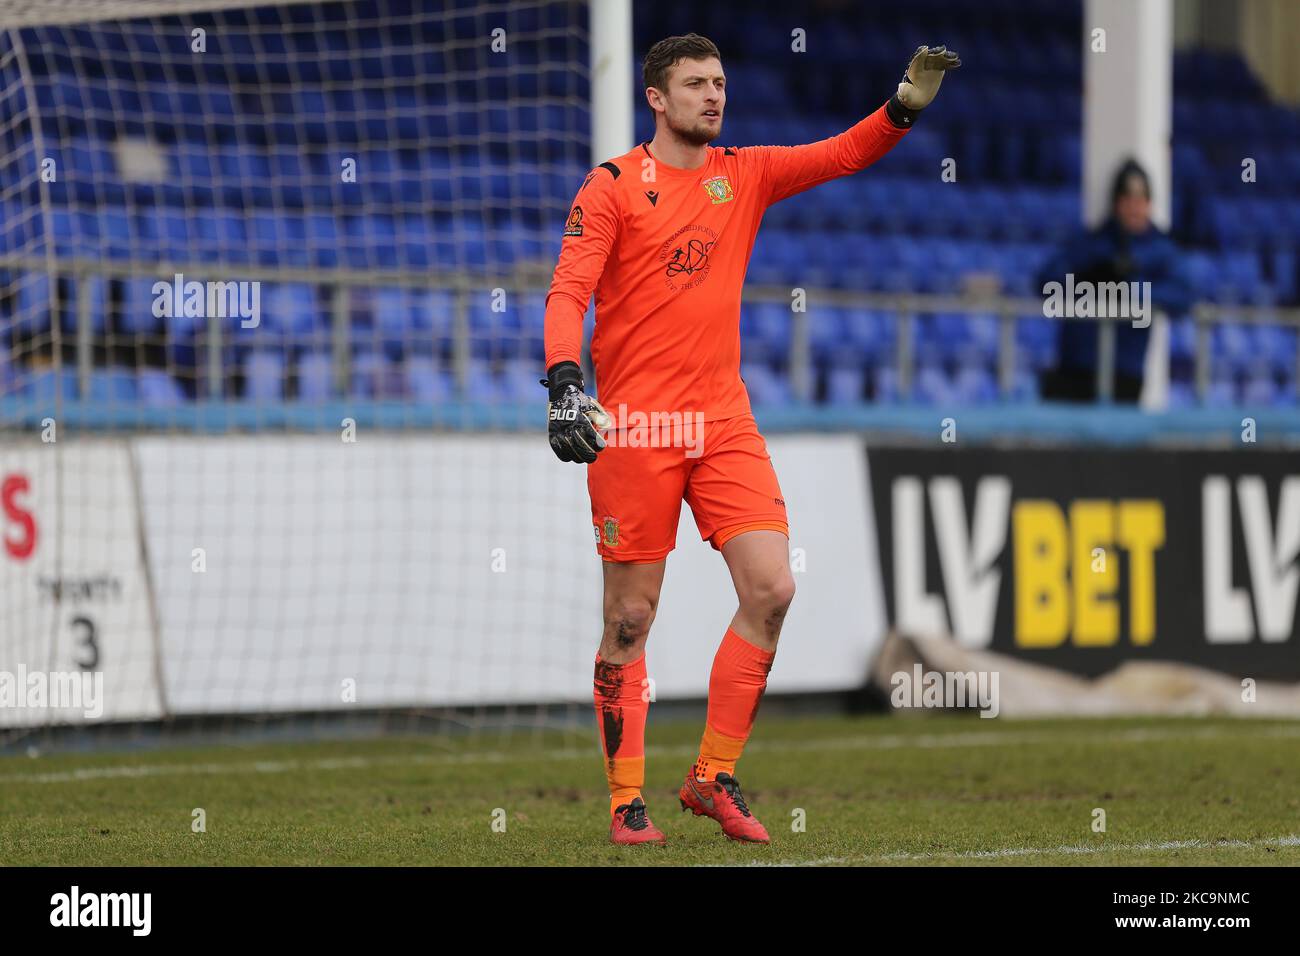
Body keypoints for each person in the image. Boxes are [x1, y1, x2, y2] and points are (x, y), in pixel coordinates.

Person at [541, 34, 960, 845]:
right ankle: (628, 801)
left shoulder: (749, 172)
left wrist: (903, 105)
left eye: (721, 82)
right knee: (631, 616)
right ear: (656, 98)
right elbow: (569, 291)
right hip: (638, 428)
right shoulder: (614, 186)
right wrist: (564, 383)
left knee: (771, 588)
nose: (714, 94)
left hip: (723, 420)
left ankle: (712, 775)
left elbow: (842, 153)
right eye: (696, 83)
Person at [1037, 158, 1193, 402]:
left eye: (1140, 201)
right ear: (1116, 203)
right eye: (1126, 200)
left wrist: (1130, 289)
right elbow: (1045, 282)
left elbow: (1184, 295)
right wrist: (1087, 279)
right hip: (1077, 366)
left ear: (1149, 204)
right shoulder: (1090, 244)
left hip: (1125, 368)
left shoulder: (1161, 251)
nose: (1133, 208)